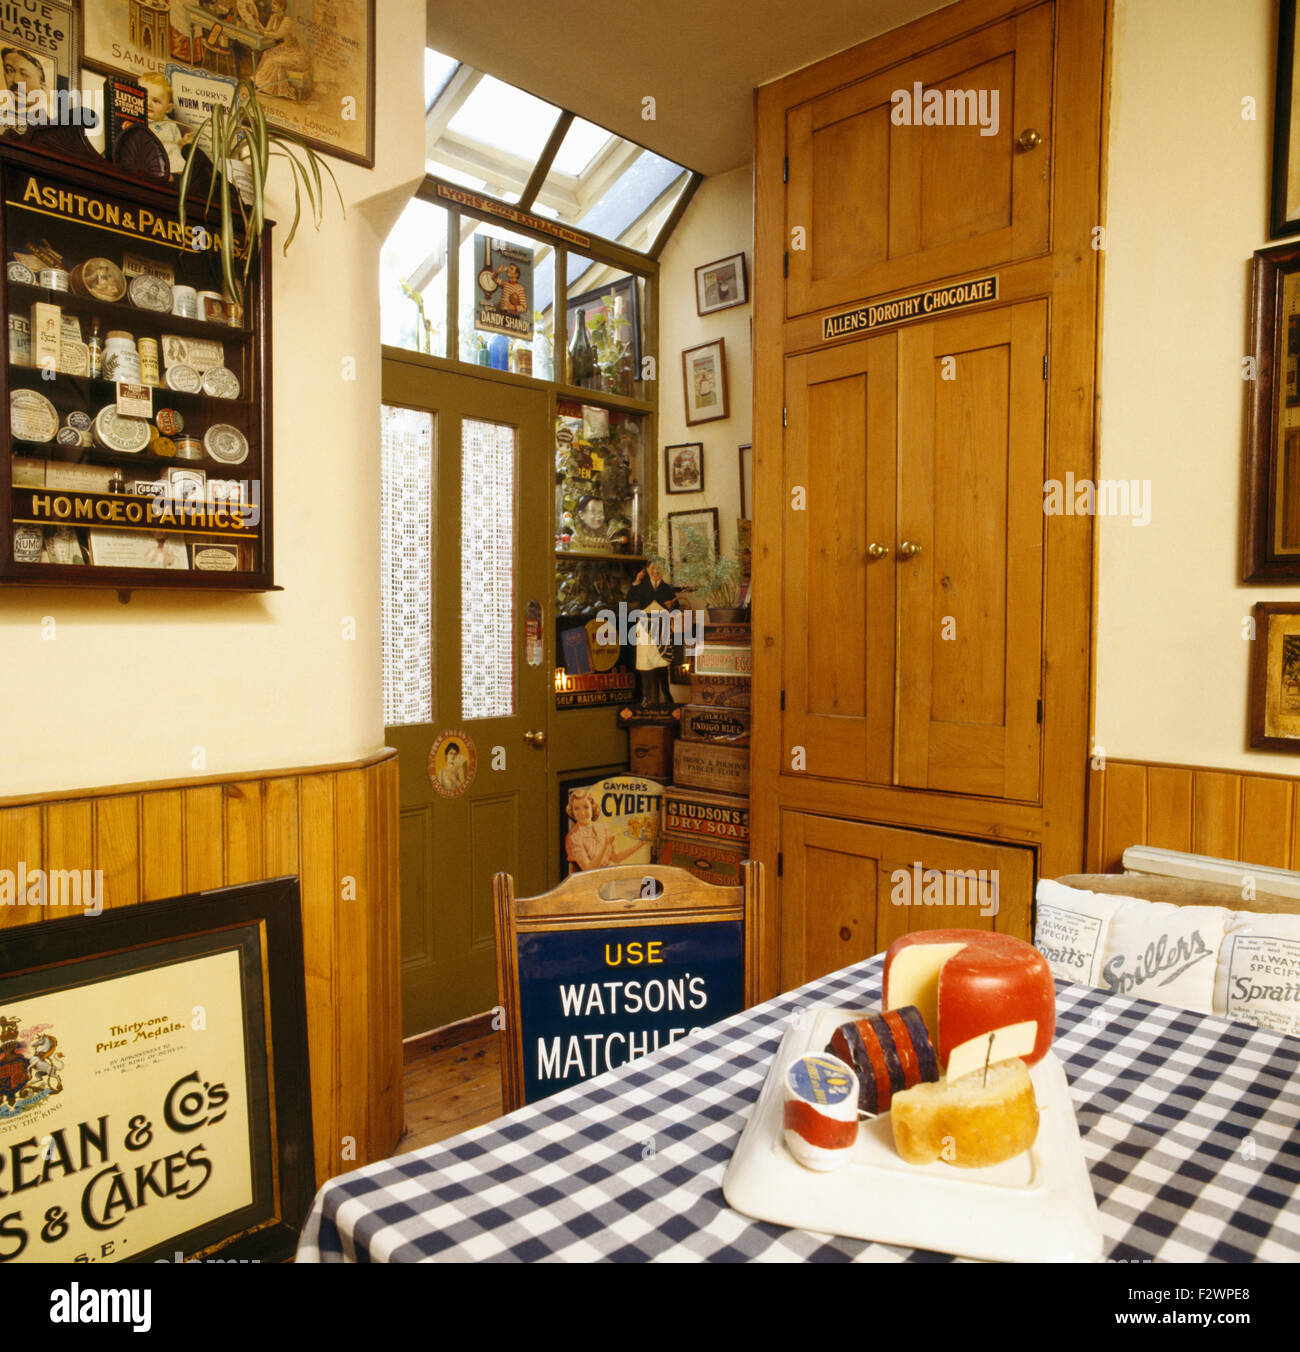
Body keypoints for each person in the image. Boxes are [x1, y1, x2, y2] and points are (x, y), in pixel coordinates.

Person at [626, 562, 677, 707]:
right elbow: (630, 599)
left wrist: (671, 606)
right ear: (647, 570)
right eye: (652, 568)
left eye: (658, 568)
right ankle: (646, 697)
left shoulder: (667, 589)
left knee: (662, 662)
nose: (655, 571)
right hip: (644, 629)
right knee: (645, 663)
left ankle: (666, 696)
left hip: (662, 628)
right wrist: (636, 581)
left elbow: (676, 607)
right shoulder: (641, 587)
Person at [564, 789, 643, 873]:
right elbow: (588, 868)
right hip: (587, 883)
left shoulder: (603, 828)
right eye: (576, 809)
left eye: (586, 807)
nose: (582, 813)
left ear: (592, 807)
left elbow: (616, 858)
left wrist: (640, 844)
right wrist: (605, 845)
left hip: (607, 880)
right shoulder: (573, 837)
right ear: (572, 811)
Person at [254, 0, 312, 99]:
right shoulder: (274, 17)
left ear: (282, 7)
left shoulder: (287, 21)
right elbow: (266, 31)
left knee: (274, 61)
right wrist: (257, 22)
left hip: (295, 52)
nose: (272, 6)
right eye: (272, 3)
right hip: (284, 48)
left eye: (275, 4)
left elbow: (277, 35)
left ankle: (278, 90)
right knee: (267, 54)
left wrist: (263, 33)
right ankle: (260, 84)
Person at [139, 72, 194, 175]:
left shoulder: (171, 125)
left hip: (172, 163)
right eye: (143, 97)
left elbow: (177, 146)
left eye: (156, 101)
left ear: (168, 108)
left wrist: (183, 143)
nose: (149, 103)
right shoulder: (137, 119)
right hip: (150, 162)